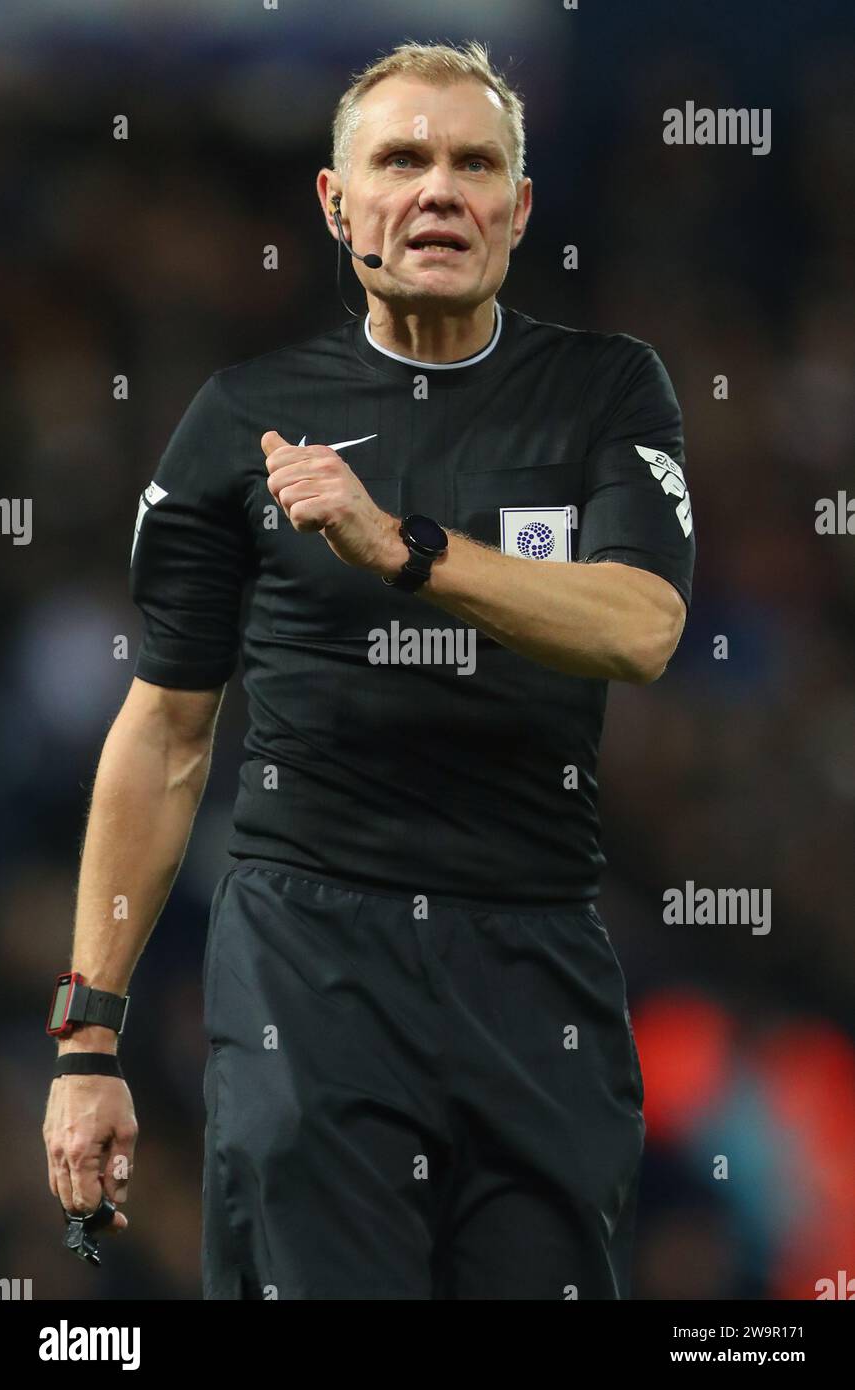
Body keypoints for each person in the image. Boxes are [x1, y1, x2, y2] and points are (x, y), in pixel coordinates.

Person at [43, 38, 694, 1300]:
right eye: (400, 159)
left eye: (474, 163)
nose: (438, 190)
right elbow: (167, 733)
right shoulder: (243, 416)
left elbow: (641, 627)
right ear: (338, 207)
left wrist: (398, 550)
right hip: (310, 952)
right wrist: (88, 1038)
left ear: (517, 208)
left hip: (537, 954)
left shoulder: (606, 392)